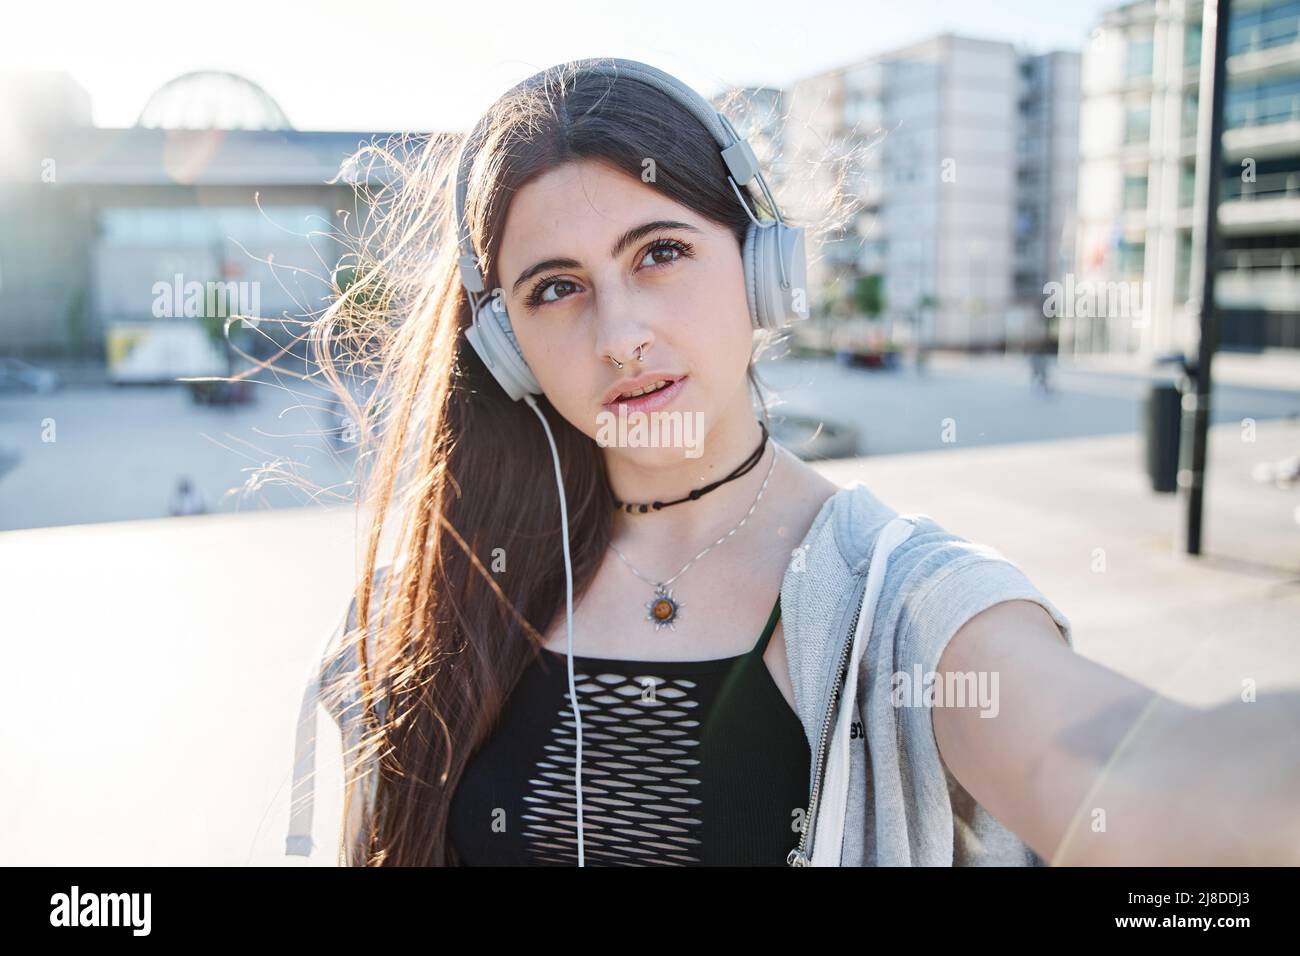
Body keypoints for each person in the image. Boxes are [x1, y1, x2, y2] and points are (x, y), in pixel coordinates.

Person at [284, 58, 1300, 867]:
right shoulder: (442, 592)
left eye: (660, 252)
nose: (621, 333)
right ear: (506, 350)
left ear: (764, 264)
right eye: (557, 287)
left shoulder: (899, 599)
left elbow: (1130, 776)